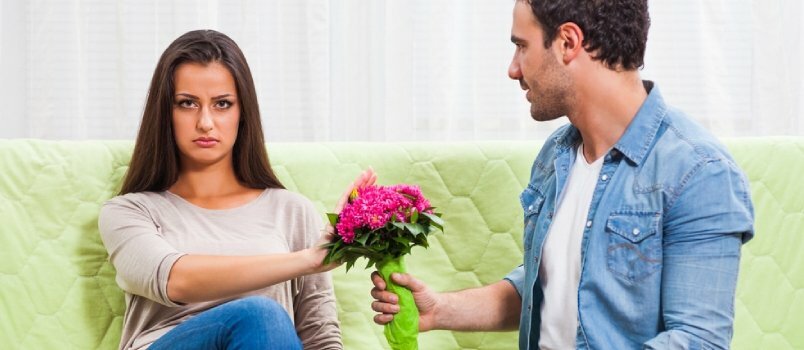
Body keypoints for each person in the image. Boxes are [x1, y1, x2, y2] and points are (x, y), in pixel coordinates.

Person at [370, 1, 755, 349]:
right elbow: (553, 285)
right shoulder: (557, 153)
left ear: (568, 42)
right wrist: (441, 310)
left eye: (522, 46)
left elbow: (698, 340)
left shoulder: (699, 173)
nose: (513, 69)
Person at [99, 29, 376, 350]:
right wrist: (311, 259)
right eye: (187, 103)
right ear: (166, 113)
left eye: (222, 104)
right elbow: (176, 280)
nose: (205, 122)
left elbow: (319, 337)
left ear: (242, 113)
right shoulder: (129, 212)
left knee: (264, 321)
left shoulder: (292, 211)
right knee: (260, 316)